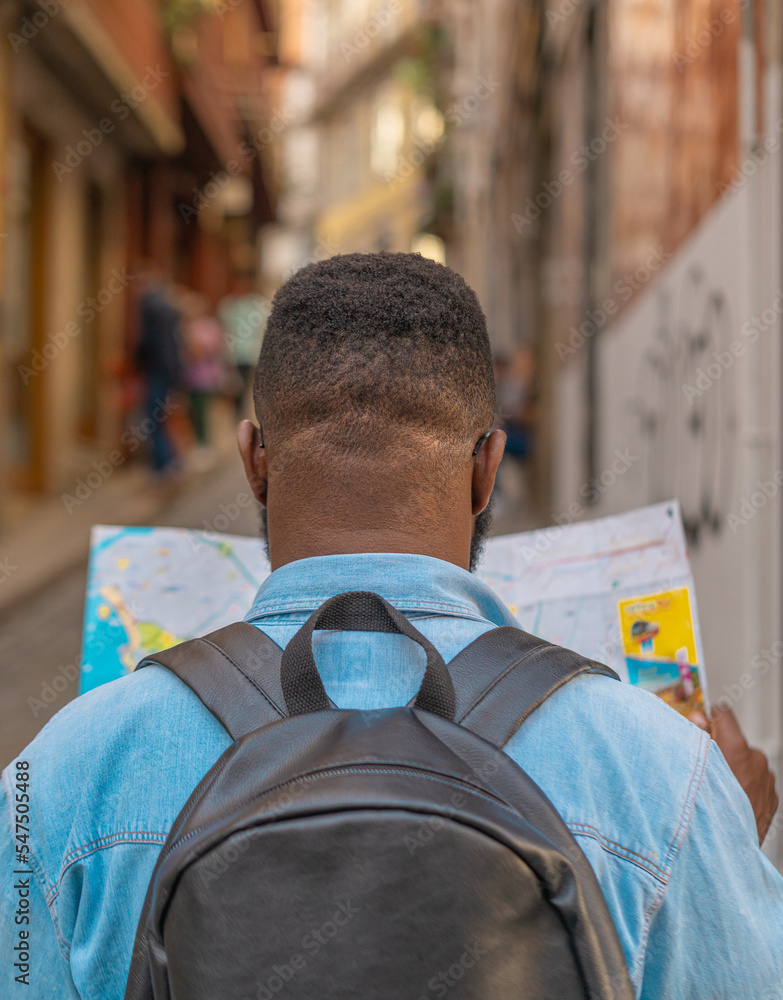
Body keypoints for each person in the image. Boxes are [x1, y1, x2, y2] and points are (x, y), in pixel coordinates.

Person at [1, 252, 781, 998]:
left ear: (253, 461)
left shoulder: (60, 775)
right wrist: (715, 845)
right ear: (487, 470)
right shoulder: (661, 775)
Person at [133, 263, 183, 475]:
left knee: (153, 418)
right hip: (170, 368)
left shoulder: (149, 306)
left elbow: (149, 340)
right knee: (161, 416)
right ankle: (171, 460)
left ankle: (162, 464)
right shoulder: (168, 306)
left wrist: (137, 360)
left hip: (157, 368)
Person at [179, 291, 226, 455]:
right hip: (188, 375)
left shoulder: (209, 326)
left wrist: (197, 350)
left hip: (205, 376)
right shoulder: (186, 326)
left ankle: (204, 443)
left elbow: (212, 348)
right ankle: (197, 441)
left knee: (202, 409)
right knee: (191, 409)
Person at [217, 272, 269, 418]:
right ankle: (236, 412)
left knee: (245, 384)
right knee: (234, 385)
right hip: (232, 352)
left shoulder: (255, 304)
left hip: (248, 353)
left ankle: (240, 413)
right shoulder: (228, 305)